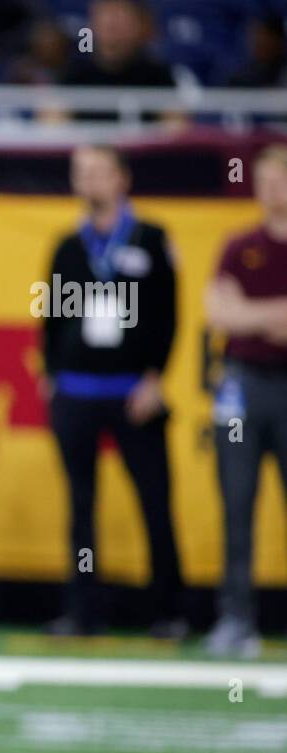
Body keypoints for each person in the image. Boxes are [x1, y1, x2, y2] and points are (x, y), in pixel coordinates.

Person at [42, 144, 185, 637]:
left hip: (133, 394)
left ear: (122, 179)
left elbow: (169, 317)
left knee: (154, 501)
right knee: (81, 507)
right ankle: (83, 613)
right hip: (78, 392)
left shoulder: (151, 239)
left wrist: (155, 378)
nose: (91, 181)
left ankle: (169, 611)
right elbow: (52, 319)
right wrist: (52, 377)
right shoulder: (69, 245)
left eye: (101, 172)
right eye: (82, 173)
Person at [204, 145, 287, 656]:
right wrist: (274, 315)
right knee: (236, 502)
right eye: (264, 181)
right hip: (242, 382)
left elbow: (238, 312)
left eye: (279, 180)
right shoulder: (239, 246)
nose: (272, 191)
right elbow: (221, 315)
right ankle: (236, 619)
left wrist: (249, 312)